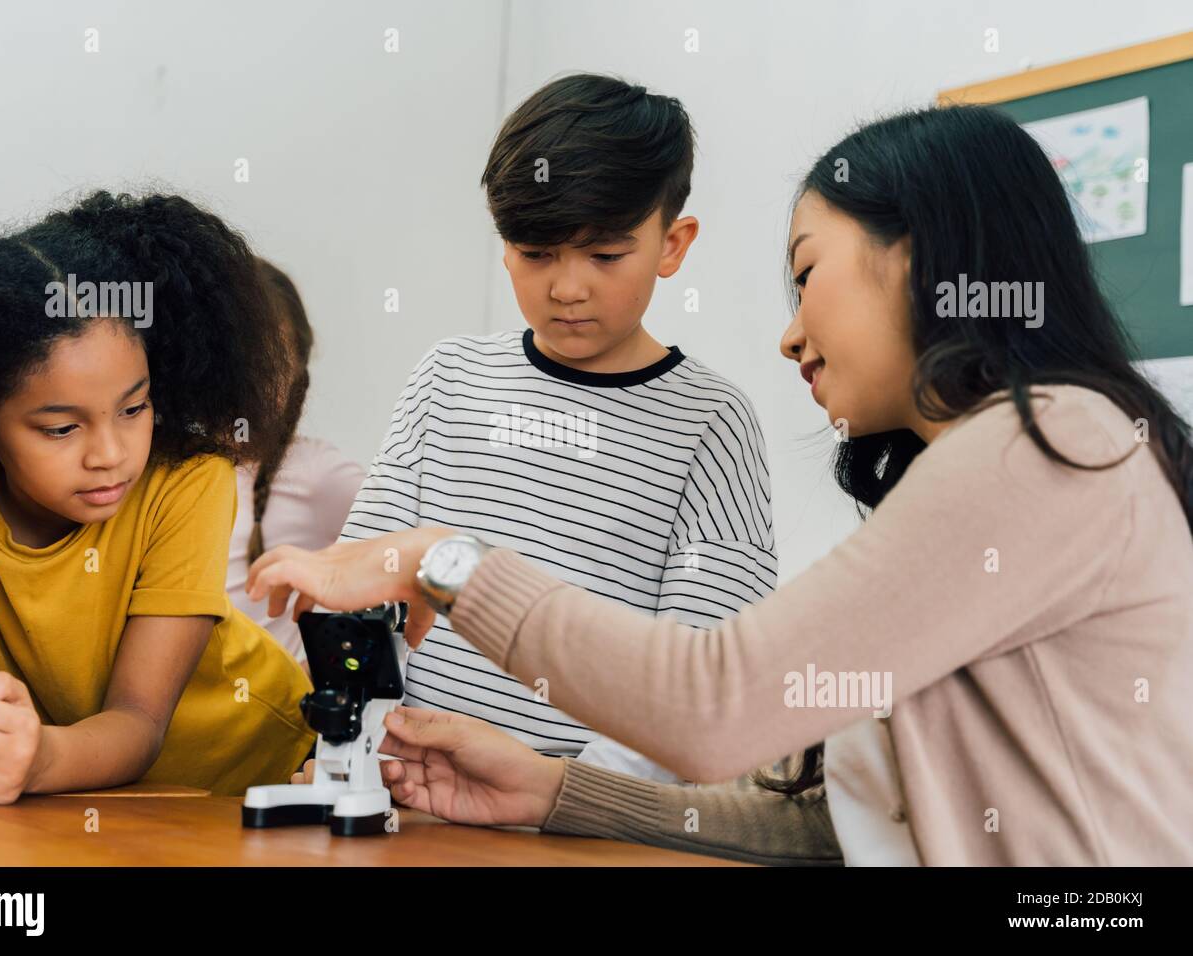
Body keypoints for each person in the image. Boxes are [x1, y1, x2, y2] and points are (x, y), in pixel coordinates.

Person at [249, 105, 1193, 865]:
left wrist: (441, 562)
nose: (789, 334)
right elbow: (835, 826)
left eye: (808, 274)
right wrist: (553, 792)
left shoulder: (1050, 442)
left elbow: (712, 704)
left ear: (918, 256)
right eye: (537, 252)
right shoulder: (1019, 456)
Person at [338, 73, 778, 784]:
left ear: (673, 244)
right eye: (536, 252)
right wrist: (356, 757)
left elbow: (704, 677)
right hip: (409, 790)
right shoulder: (447, 378)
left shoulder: (710, 423)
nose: (567, 288)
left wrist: (565, 802)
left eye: (606, 256)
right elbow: (362, 592)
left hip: (585, 824)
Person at [0, 191, 316, 802]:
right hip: (81, 801)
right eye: (62, 429)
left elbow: (140, 722)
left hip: (255, 779)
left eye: (133, 407)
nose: (110, 454)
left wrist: (37, 758)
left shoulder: (189, 479)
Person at [224, 259, 364, 664]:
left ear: (298, 373)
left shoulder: (318, 475)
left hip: (279, 718)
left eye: (272, 362)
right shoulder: (164, 468)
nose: (250, 382)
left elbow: (404, 550)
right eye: (234, 359)